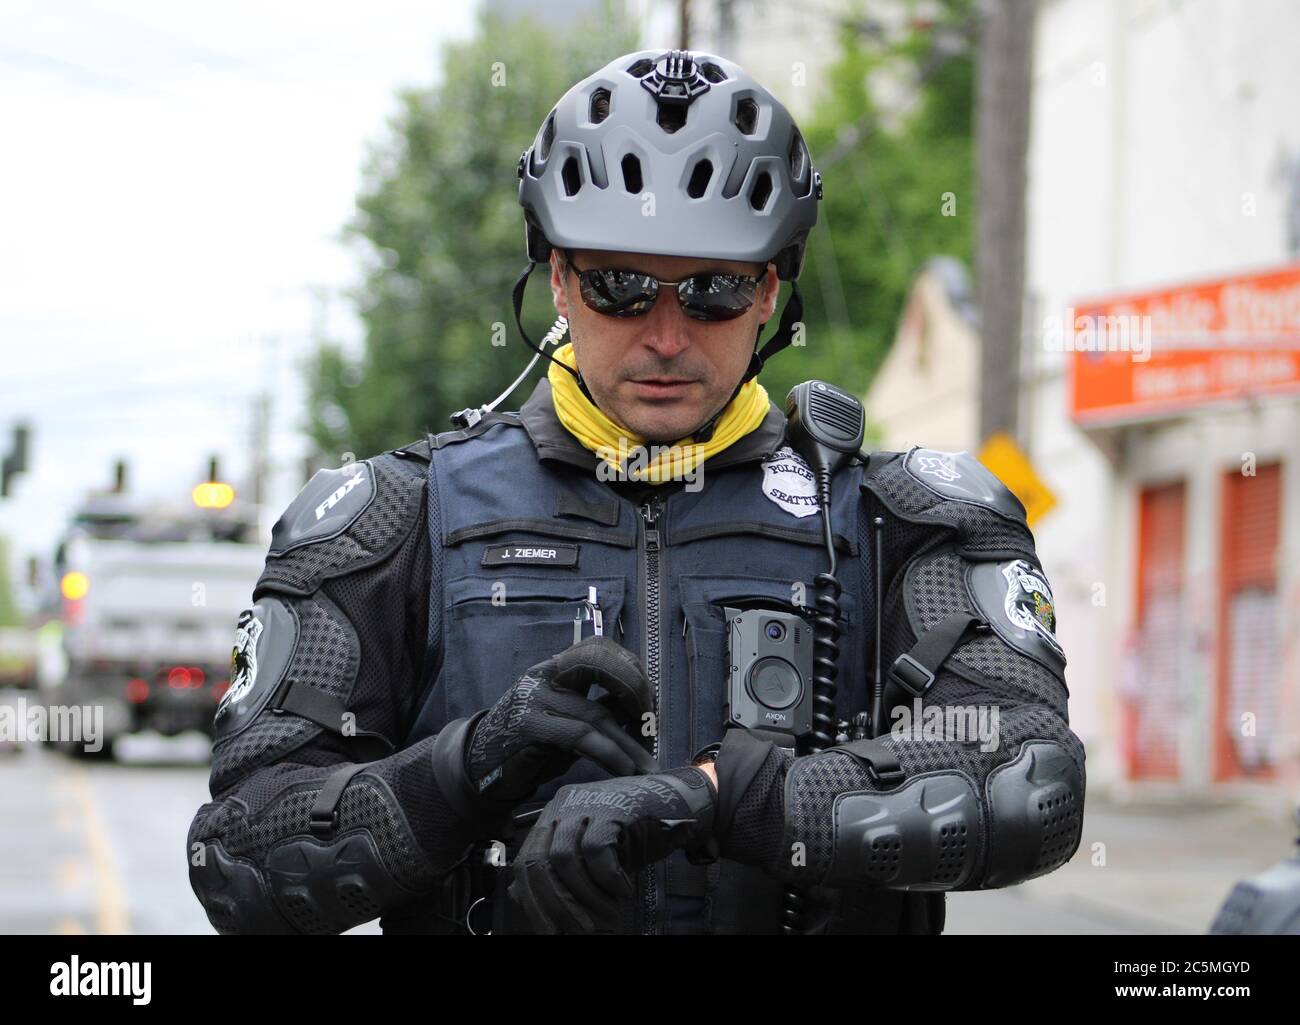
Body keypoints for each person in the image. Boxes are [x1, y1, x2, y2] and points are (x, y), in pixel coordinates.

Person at [187, 48, 1085, 935]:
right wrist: (465, 769)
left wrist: (717, 798)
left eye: (714, 290)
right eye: (620, 287)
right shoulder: (391, 516)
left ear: (770, 290)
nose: (665, 335)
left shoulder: (911, 517)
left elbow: (1031, 782)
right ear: (560, 281)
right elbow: (237, 856)